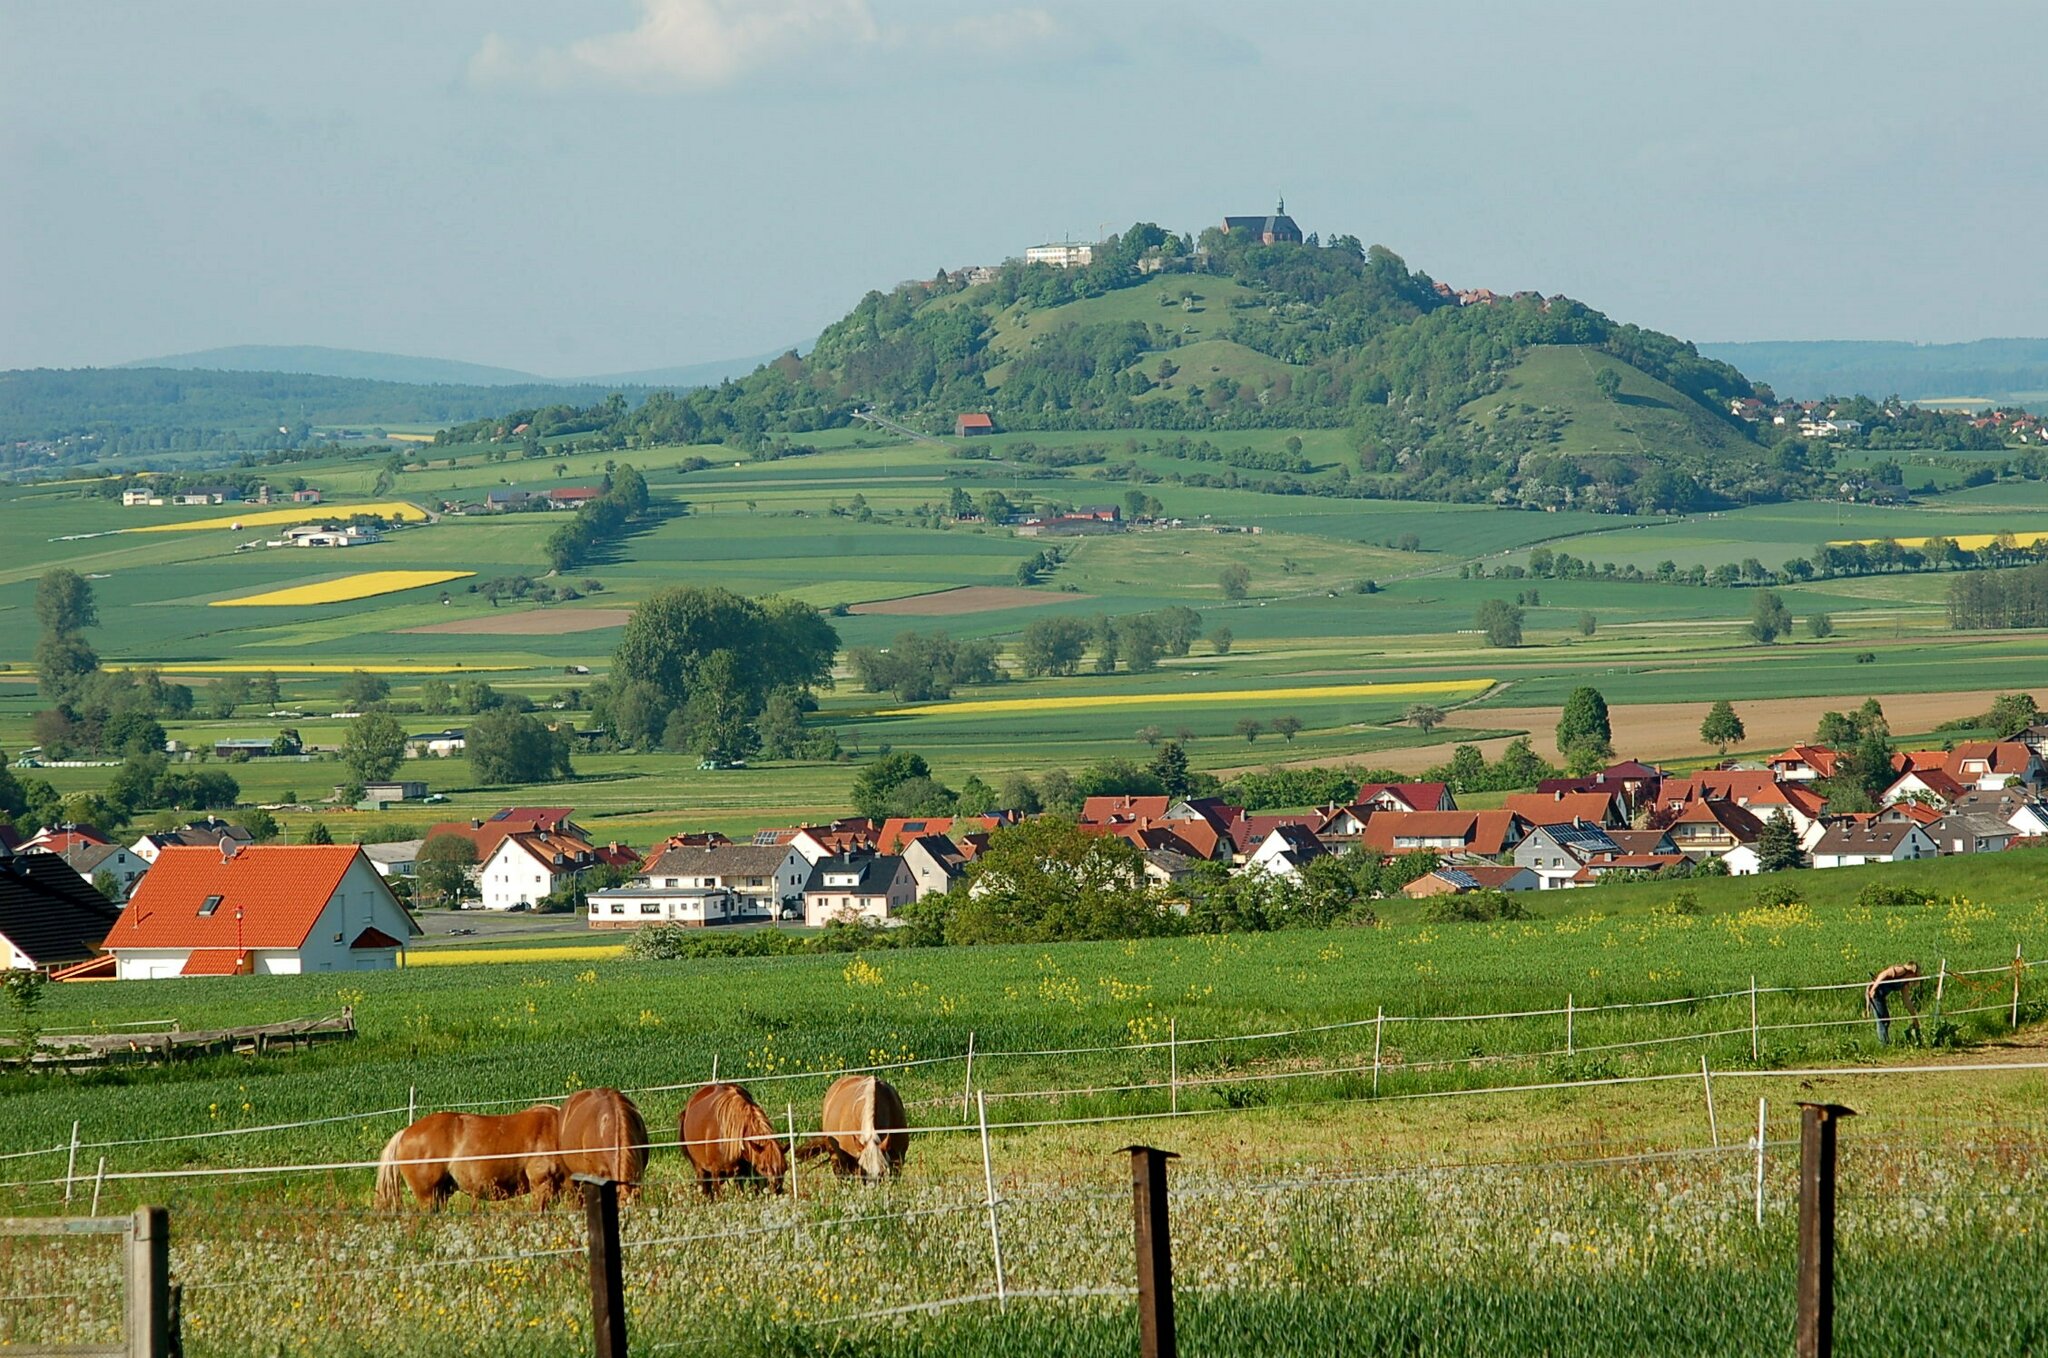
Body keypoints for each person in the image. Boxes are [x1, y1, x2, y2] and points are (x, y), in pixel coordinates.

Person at [1866, 961, 1922, 1045]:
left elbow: (1907, 1001)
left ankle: (1885, 1042)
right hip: (1876, 994)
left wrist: (1914, 1017)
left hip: (1881, 996)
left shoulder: (1904, 984)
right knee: (1883, 1020)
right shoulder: (1901, 971)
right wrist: (1873, 989)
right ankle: (1884, 1044)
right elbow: (1883, 974)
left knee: (1885, 1020)